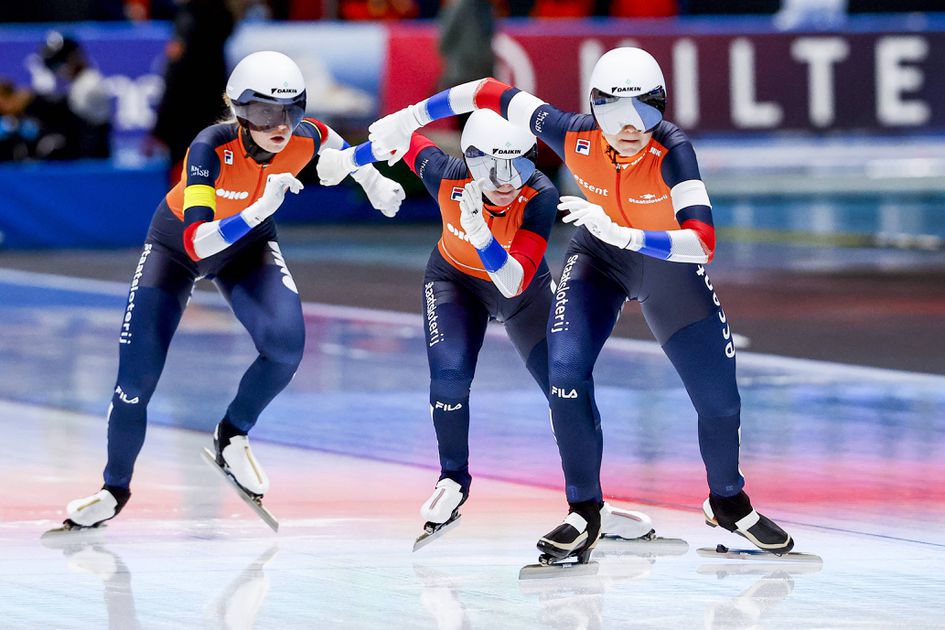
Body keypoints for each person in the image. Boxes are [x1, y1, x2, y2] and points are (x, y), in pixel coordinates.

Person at [348, 46, 794, 565]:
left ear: (663, 108)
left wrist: (625, 234)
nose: (630, 127)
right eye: (614, 112)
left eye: (645, 111)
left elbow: (702, 243)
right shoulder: (568, 133)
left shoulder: (673, 150)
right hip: (598, 263)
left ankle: (728, 502)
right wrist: (410, 118)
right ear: (594, 107)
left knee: (719, 400)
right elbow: (485, 91)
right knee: (564, 373)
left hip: (665, 266)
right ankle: (584, 510)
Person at [59, 51, 405, 530]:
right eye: (265, 113)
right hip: (178, 247)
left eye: (291, 111)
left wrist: (373, 180)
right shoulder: (208, 148)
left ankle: (231, 434)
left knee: (286, 347)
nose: (280, 125)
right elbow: (197, 243)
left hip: (247, 245)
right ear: (238, 109)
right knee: (134, 385)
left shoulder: (304, 137)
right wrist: (261, 208)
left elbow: (336, 148)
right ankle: (114, 489)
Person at [317, 110, 656, 547]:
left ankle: (590, 506)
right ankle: (453, 480)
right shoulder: (442, 172)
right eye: (491, 165)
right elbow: (396, 138)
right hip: (453, 284)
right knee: (450, 379)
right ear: (469, 159)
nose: (506, 178)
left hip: (520, 292)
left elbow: (513, 281)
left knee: (567, 386)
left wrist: (481, 236)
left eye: (519, 163)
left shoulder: (540, 195)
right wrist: (353, 163)